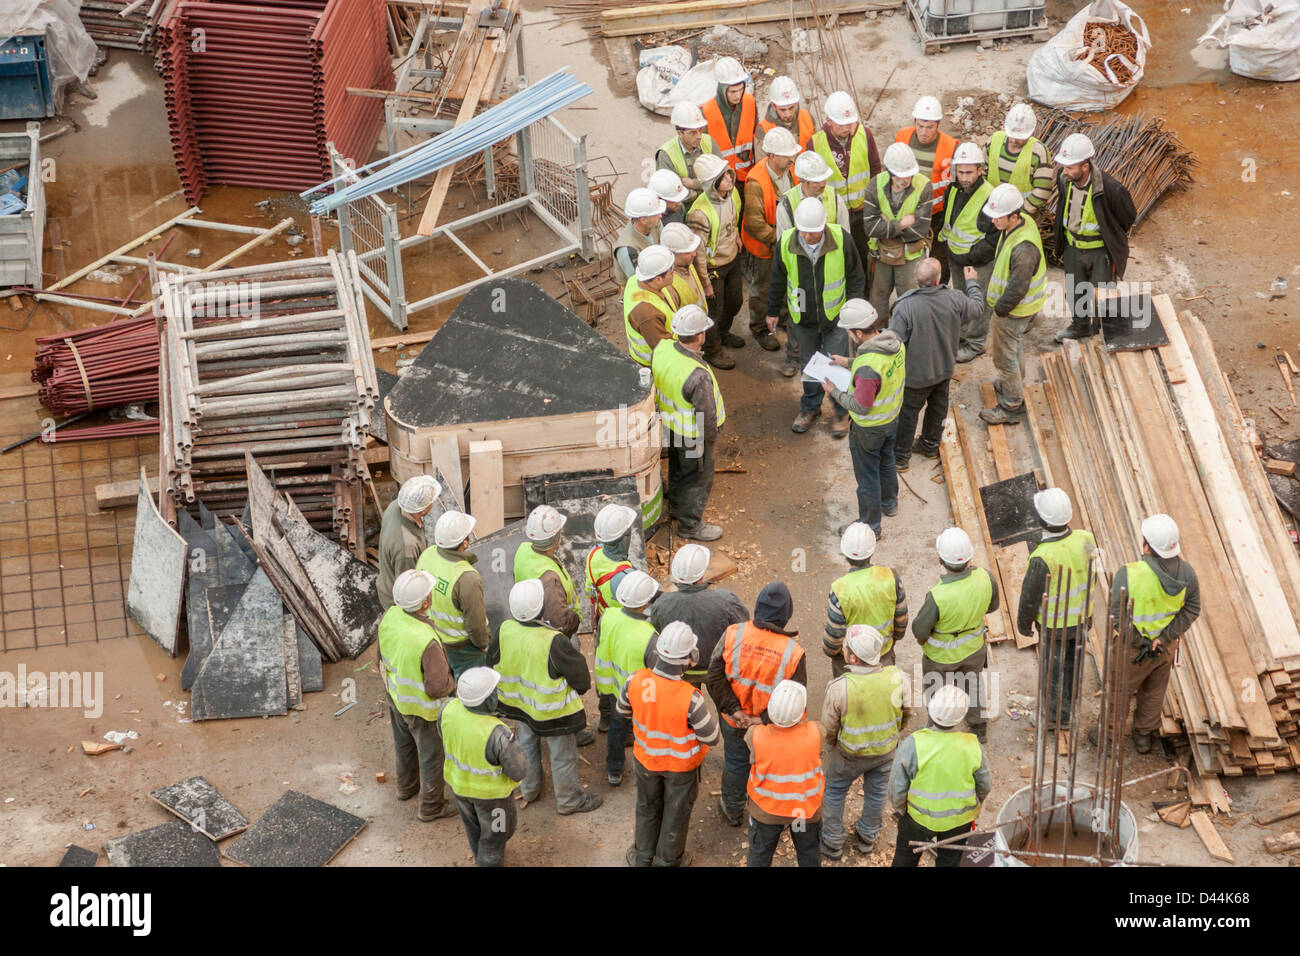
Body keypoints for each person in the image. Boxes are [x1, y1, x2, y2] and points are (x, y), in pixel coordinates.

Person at [488, 579, 603, 816]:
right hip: (553, 714)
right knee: (562, 757)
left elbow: (491, 662)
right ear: (541, 609)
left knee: (527, 746)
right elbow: (580, 678)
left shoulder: (504, 630)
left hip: (520, 707)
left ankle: (529, 789)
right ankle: (569, 800)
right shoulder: (554, 640)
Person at [707, 581, 807, 827]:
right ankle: (769, 814)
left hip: (734, 721)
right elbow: (796, 700)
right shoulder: (793, 653)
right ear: (786, 616)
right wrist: (761, 720)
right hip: (770, 728)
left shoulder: (734, 633)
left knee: (735, 761)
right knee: (770, 767)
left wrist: (735, 710)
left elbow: (714, 677)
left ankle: (732, 809)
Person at [620, 622, 720, 867]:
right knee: (676, 812)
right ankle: (669, 859)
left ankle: (642, 856)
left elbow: (622, 710)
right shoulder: (691, 698)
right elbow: (712, 737)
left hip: (645, 761)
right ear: (690, 658)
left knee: (646, 806)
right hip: (680, 768)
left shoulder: (635, 680)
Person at [767, 196, 866, 438]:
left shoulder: (841, 239)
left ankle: (842, 412)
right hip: (803, 319)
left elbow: (856, 277)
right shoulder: (787, 242)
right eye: (804, 232)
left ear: (823, 227)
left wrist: (853, 313)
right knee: (810, 367)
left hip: (836, 319)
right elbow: (777, 280)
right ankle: (811, 408)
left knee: (837, 366)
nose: (808, 237)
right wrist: (771, 311)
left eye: (814, 232)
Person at [1105, 514, 1201, 754]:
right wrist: (1165, 637)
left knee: (1120, 691)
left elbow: (1117, 615)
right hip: (1164, 648)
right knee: (1154, 692)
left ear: (1147, 545)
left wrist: (1141, 641)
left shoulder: (1129, 573)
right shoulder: (1187, 574)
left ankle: (1109, 737)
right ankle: (1143, 737)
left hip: (1133, 648)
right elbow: (1192, 608)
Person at [820, 625, 908, 860]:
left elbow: (829, 727)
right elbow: (906, 712)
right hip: (886, 751)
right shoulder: (899, 678)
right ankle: (867, 837)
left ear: (852, 657)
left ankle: (832, 841)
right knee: (877, 793)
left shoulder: (840, 688)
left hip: (848, 754)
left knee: (835, 791)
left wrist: (833, 746)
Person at [888, 256, 982, 472]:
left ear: (917, 279)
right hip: (944, 369)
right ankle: (930, 446)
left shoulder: (906, 306)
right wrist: (972, 282)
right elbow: (977, 308)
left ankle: (901, 458)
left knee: (908, 414)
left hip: (915, 375)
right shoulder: (955, 299)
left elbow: (895, 342)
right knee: (938, 408)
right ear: (939, 278)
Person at [379, 569, 459, 821]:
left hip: (396, 696)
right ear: (425, 603)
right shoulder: (426, 639)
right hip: (423, 710)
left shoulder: (390, 616)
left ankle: (406, 787)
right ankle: (431, 806)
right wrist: (454, 685)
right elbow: (437, 687)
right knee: (432, 756)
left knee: (403, 744)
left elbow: (380, 656)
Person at [1016, 489, 1096, 734]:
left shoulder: (1042, 556)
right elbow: (1094, 572)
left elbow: (1029, 597)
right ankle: (1067, 712)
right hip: (1082, 619)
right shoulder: (1086, 538)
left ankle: (1053, 717)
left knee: (1053, 672)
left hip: (1055, 626)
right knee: (1073, 667)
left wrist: (1023, 624)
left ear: (1042, 520)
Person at [823, 299, 904, 538]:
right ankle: (889, 503)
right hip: (891, 420)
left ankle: (870, 526)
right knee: (887, 462)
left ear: (858, 332)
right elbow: (876, 369)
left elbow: (861, 405)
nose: (848, 335)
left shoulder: (868, 367)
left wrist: (833, 391)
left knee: (867, 477)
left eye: (849, 331)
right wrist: (847, 362)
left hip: (870, 428)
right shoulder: (894, 342)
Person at [889, 685, 991, 867]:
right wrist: (974, 806)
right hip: (959, 822)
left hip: (917, 818)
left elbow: (897, 785)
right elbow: (984, 785)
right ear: (962, 716)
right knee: (949, 862)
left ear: (931, 709)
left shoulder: (914, 743)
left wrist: (901, 810)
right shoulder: (972, 745)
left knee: (905, 859)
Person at [912, 528, 999, 741]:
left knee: (937, 691)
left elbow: (919, 629)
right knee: (972, 685)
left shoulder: (937, 596)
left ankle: (936, 729)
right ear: (970, 557)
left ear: (941, 560)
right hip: (974, 650)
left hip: (940, 658)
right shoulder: (985, 577)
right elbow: (992, 606)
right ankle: (978, 729)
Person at [1050, 132, 1137, 343]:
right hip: (1073, 248)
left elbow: (1128, 217)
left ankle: (1105, 332)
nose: (1065, 171)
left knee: (1103, 295)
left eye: (1070, 167)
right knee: (1075, 292)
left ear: (1085, 167)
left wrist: (1110, 239)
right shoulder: (1065, 181)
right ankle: (1080, 326)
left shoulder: (1110, 188)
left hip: (1100, 252)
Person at [440, 667, 529, 866]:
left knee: (474, 828)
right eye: (494, 691)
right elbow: (519, 770)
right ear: (486, 700)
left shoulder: (447, 709)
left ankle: (481, 856)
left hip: (459, 787)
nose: (497, 694)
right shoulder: (498, 733)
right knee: (496, 837)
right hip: (493, 798)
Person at [653, 305, 726, 542]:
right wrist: (710, 442)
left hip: (671, 426)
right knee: (697, 478)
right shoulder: (697, 375)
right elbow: (706, 414)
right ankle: (689, 525)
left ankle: (676, 506)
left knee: (678, 467)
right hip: (694, 435)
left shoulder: (662, 349)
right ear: (701, 335)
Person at [773, 151, 849, 379]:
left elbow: (846, 237)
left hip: (829, 274)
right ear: (803, 181)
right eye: (818, 180)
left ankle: (828, 364)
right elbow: (784, 247)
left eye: (825, 178)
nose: (823, 184)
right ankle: (794, 356)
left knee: (831, 321)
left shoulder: (834, 199)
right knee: (798, 319)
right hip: (801, 277)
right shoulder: (787, 204)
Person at [977, 182, 1047, 426]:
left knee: (1004, 358)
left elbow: (1018, 288)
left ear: (1014, 216)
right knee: (1014, 349)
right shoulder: (1022, 222)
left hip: (1014, 311)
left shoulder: (1024, 249)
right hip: (1018, 310)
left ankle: (1011, 406)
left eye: (999, 218)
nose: (994, 222)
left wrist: (999, 310)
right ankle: (1012, 385)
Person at [746, 679, 824, 867]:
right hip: (803, 811)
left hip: (767, 811)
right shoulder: (817, 732)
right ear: (803, 712)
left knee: (760, 855)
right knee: (808, 854)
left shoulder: (754, 735)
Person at [647, 543, 749, 686]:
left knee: (691, 699)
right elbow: (744, 628)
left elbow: (658, 631)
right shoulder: (726, 601)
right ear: (702, 574)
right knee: (723, 700)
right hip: (716, 668)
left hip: (682, 669)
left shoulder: (661, 604)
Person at [594, 570, 660, 787]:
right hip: (636, 695)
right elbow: (658, 674)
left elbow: (599, 644)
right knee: (643, 728)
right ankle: (648, 769)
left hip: (611, 685)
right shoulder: (649, 635)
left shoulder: (608, 615)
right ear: (645, 604)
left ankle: (614, 770)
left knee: (616, 725)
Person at [741, 126, 801, 353]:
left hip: (785, 241)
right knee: (762, 289)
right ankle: (759, 328)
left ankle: (781, 318)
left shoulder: (791, 172)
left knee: (785, 284)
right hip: (764, 248)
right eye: (787, 155)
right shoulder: (756, 182)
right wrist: (779, 241)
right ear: (772, 156)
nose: (792, 158)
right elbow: (755, 222)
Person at [811, 90, 882, 270]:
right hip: (833, 216)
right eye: (841, 124)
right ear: (828, 121)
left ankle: (863, 292)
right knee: (837, 259)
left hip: (862, 211)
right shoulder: (815, 144)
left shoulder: (864, 135)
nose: (846, 129)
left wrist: (873, 203)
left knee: (862, 255)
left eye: (849, 123)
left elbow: (875, 170)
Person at [941, 142, 999, 364]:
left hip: (977, 261)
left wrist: (973, 257)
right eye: (960, 171)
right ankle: (962, 334)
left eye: (968, 172)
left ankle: (975, 342)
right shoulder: (954, 188)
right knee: (962, 297)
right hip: (957, 256)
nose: (963, 177)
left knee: (978, 301)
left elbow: (993, 237)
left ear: (979, 170)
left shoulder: (989, 196)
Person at [863, 142, 933, 324]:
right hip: (882, 255)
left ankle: (908, 339)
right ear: (890, 172)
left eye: (909, 175)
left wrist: (887, 226)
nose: (907, 179)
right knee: (878, 299)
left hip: (911, 255)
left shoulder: (924, 186)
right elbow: (870, 228)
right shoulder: (875, 185)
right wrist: (901, 224)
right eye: (901, 176)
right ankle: (878, 339)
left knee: (910, 301)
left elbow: (920, 231)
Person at [825, 522, 907, 676]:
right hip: (882, 655)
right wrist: (891, 642)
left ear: (845, 552)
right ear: (872, 550)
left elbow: (833, 639)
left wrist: (835, 653)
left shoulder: (839, 589)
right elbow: (901, 622)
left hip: (851, 661)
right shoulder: (891, 577)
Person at [415, 510, 490, 678]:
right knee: (471, 686)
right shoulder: (467, 578)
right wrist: (483, 644)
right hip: (463, 647)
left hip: (434, 635)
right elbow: (476, 624)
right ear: (464, 543)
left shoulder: (427, 555)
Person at [687, 153, 744, 370]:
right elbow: (698, 252)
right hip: (713, 269)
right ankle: (712, 349)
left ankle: (722, 333)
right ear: (712, 184)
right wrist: (706, 282)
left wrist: (736, 237)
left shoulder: (730, 195)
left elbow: (732, 219)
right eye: (724, 176)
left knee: (735, 301)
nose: (730, 178)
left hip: (731, 260)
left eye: (728, 173)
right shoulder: (699, 214)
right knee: (713, 311)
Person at [586, 503, 639, 735]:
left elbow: (591, 593)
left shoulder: (594, 556)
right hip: (621, 633)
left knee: (604, 674)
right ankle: (623, 728)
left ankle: (605, 717)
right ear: (622, 540)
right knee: (621, 677)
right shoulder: (626, 577)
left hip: (602, 624)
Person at [895, 96, 957, 284]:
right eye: (920, 126)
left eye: (929, 127)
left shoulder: (950, 146)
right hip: (908, 210)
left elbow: (954, 185)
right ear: (914, 121)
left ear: (938, 124)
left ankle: (940, 291)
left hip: (936, 212)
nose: (923, 132)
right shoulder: (902, 137)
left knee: (939, 258)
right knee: (909, 255)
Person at [513, 504, 580, 639]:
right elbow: (560, 624)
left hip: (530, 624)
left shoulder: (523, 550)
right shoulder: (550, 580)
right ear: (556, 538)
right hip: (549, 637)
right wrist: (575, 618)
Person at [377, 475, 440, 610]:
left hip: (386, 580)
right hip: (396, 601)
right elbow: (408, 590)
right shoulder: (407, 548)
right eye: (432, 501)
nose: (434, 502)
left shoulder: (395, 506)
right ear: (422, 511)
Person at [986, 103, 1054, 218]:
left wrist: (1020, 214)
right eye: (1011, 135)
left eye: (1019, 137)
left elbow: (1043, 189)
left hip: (1020, 217)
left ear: (1031, 133)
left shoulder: (1038, 152)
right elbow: (981, 174)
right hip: (992, 209)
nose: (1014, 140)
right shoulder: (994, 141)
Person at [700, 56, 760, 185]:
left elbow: (757, 138)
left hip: (746, 176)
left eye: (741, 89)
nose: (738, 95)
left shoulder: (749, 102)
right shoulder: (706, 111)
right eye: (733, 91)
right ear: (722, 90)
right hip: (720, 179)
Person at [622, 244, 680, 367]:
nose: (674, 273)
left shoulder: (635, 280)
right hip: (654, 364)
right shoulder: (647, 314)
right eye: (671, 272)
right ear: (658, 279)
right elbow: (664, 350)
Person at [656, 102, 719, 207]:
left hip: (711, 206)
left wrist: (694, 184)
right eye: (693, 132)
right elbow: (672, 194)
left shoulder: (709, 141)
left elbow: (721, 178)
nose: (699, 136)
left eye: (700, 130)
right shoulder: (666, 155)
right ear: (680, 133)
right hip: (683, 209)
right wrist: (706, 190)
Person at [613, 187, 666, 285]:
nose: (660, 216)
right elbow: (639, 283)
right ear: (643, 220)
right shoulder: (627, 250)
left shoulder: (654, 223)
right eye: (656, 214)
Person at [661, 222, 707, 309]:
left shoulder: (687, 264)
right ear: (673, 254)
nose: (694, 254)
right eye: (688, 252)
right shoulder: (669, 286)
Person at [761, 75, 814, 149]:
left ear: (796, 103)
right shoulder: (763, 130)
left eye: (791, 108)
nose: (788, 114)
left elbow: (818, 151)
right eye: (783, 110)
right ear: (773, 106)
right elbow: (762, 160)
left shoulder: (808, 119)